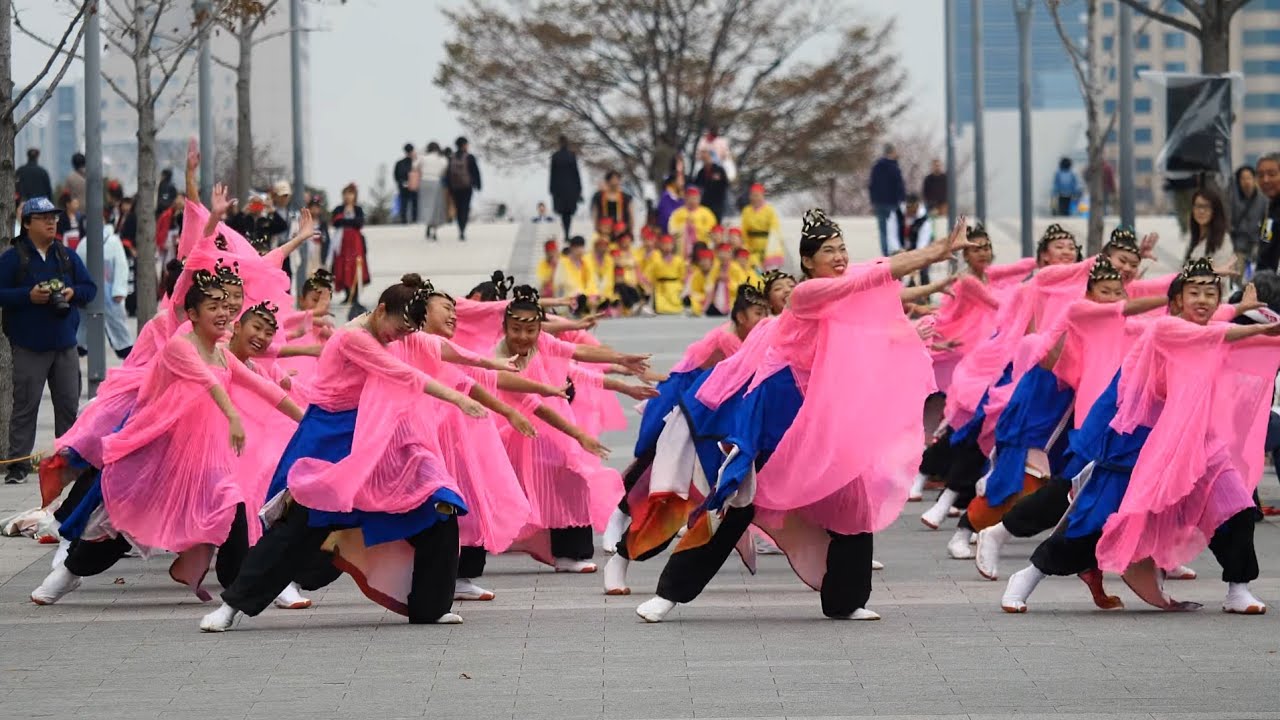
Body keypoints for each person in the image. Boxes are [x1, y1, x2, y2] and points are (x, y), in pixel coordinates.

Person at [633, 210, 974, 623]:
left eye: (843, 248)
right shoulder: (807, 294)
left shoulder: (841, 291)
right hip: (779, 409)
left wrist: (905, 328)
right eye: (829, 250)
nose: (840, 256)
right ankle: (669, 594)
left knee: (852, 501)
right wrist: (938, 251)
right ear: (808, 261)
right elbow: (877, 274)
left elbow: (876, 279)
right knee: (741, 503)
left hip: (822, 414)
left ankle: (846, 600)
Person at [200, 274, 490, 632]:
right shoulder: (354, 338)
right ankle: (232, 606)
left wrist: (493, 364)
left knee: (439, 505)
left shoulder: (396, 334)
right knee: (302, 522)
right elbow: (401, 374)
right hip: (329, 439)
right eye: (395, 330)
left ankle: (430, 606)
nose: (396, 339)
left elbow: (441, 349)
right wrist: (459, 398)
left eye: (404, 334)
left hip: (376, 436)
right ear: (381, 309)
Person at [0, 197, 98, 484]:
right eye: (43, 218)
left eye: (53, 217)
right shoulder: (13, 258)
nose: (51, 222)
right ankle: (18, 464)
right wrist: (27, 297)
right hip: (29, 346)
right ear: (28, 223)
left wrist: (71, 293)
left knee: (69, 404)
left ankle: (70, 461)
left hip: (65, 345)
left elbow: (89, 288)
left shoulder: (66, 256)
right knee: (25, 406)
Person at [75, 224, 135, 360]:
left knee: (116, 323)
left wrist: (119, 290)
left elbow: (121, 267)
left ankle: (125, 349)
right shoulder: (84, 243)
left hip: (109, 295)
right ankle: (81, 346)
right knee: (84, 322)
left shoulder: (113, 242)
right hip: (91, 294)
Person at [331, 183, 369, 304]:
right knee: (343, 267)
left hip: (355, 242)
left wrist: (346, 221)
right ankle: (347, 294)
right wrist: (349, 221)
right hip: (342, 243)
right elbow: (336, 222)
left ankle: (355, 295)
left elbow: (359, 222)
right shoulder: (338, 209)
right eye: (346, 194)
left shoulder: (358, 210)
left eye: (351, 194)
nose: (348, 196)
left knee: (356, 266)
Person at [1185, 188, 1235, 277]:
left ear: (1215, 211)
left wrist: (1211, 271)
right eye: (1198, 206)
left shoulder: (1223, 239)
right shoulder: (1192, 238)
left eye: (1206, 207)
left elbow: (1222, 273)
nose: (1201, 211)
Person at [868, 144, 906, 256]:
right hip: (892, 203)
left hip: (879, 203)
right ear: (892, 152)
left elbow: (872, 185)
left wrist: (873, 201)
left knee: (883, 230)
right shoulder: (894, 167)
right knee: (894, 229)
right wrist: (901, 200)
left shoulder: (876, 167)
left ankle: (885, 253)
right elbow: (899, 186)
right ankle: (895, 251)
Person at [1230, 165, 1267, 276]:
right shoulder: (1232, 199)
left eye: (1249, 178)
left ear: (1254, 179)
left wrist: (1265, 243)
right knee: (1237, 276)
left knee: (1256, 277)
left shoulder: (1264, 200)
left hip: (1256, 245)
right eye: (1243, 178)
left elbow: (1267, 224)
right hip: (1238, 245)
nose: (1246, 181)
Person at [447, 137, 482, 241]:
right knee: (465, 207)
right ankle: (463, 229)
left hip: (454, 188)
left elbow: (448, 174)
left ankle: (460, 227)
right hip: (467, 187)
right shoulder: (469, 157)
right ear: (464, 145)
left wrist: (449, 187)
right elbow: (475, 172)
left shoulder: (451, 157)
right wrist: (478, 185)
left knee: (458, 208)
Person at [549, 135, 583, 240]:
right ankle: (567, 233)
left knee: (564, 213)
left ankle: (567, 233)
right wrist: (579, 189)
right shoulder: (571, 156)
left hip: (559, 190)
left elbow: (552, 174)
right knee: (567, 213)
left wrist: (551, 189)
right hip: (570, 189)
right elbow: (576, 174)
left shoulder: (555, 156)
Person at [667, 186, 716, 256]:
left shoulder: (707, 213)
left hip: (702, 246)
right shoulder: (678, 213)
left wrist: (695, 227)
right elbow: (672, 229)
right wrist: (685, 227)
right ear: (686, 199)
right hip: (682, 248)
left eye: (695, 198)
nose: (693, 201)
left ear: (699, 199)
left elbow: (712, 230)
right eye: (690, 198)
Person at [417, 141, 449, 240]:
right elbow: (444, 170)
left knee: (426, 205)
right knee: (436, 207)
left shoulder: (423, 158)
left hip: (424, 182)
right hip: (436, 181)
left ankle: (428, 224)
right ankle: (434, 230)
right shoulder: (442, 159)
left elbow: (415, 166)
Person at [1255, 154, 1280, 272]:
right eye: (1260, 175)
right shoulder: (1270, 207)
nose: (1265, 180)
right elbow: (1266, 243)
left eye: (1272, 174)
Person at [590, 170, 635, 235]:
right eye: (612, 179)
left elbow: (631, 214)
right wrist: (596, 227)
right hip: (604, 229)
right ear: (607, 181)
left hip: (621, 230)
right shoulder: (599, 196)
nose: (615, 182)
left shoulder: (626, 197)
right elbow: (595, 213)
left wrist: (630, 229)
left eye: (617, 179)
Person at [692, 148, 730, 223]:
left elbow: (725, 184)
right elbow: (697, 186)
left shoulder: (719, 170)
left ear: (710, 157)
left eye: (706, 157)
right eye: (703, 158)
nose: (705, 159)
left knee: (716, 225)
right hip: (704, 204)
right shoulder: (701, 172)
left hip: (717, 204)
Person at [394, 143, 418, 224]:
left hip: (402, 185)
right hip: (414, 185)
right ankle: (414, 219)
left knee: (404, 203)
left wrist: (400, 183)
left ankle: (403, 219)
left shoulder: (399, 163)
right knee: (414, 203)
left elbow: (396, 176)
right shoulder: (415, 163)